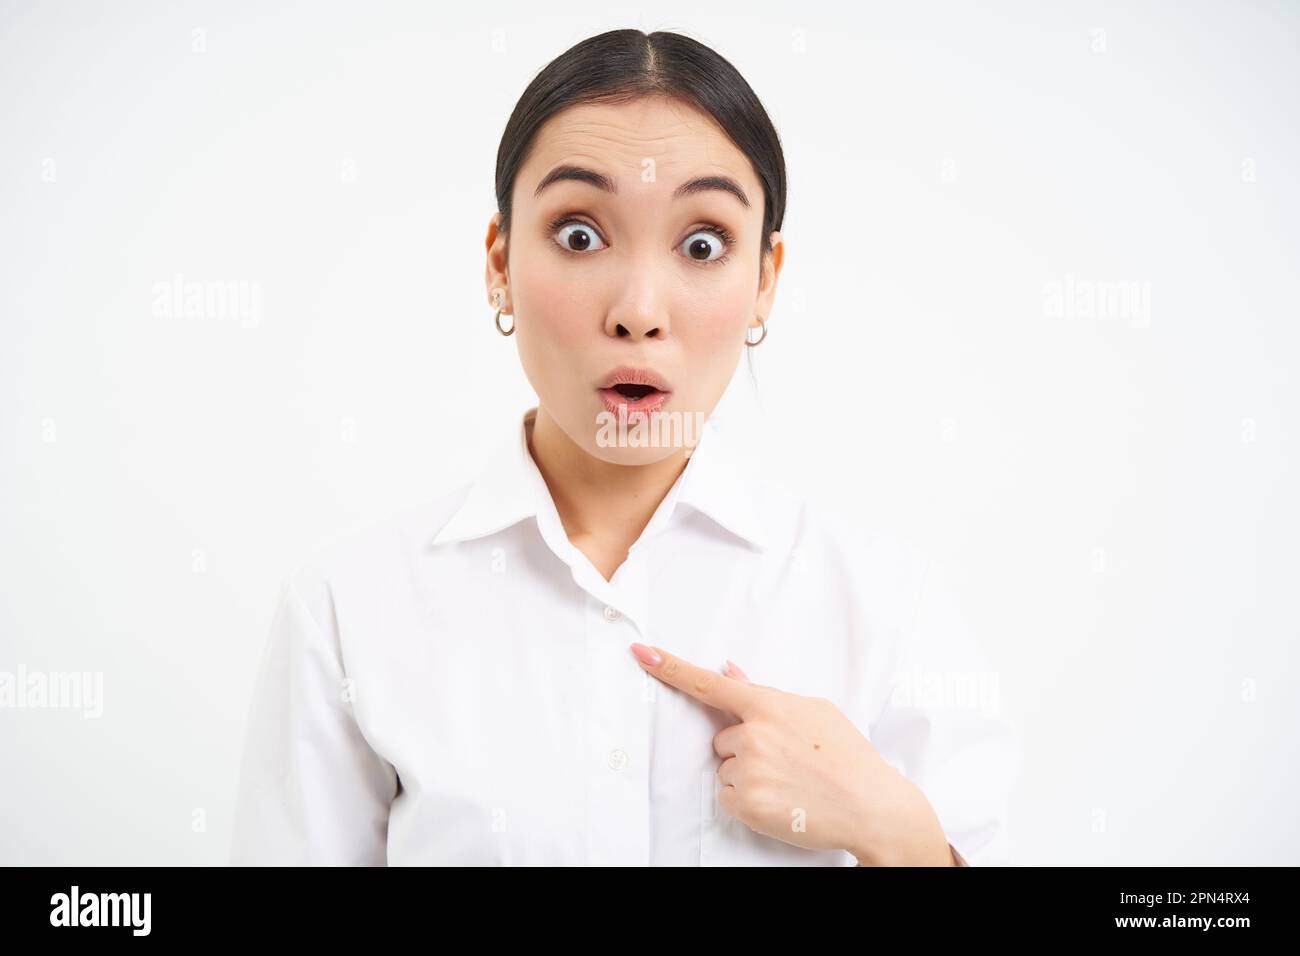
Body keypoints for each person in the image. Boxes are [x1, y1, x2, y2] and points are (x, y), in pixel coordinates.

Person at [230, 28, 1019, 866]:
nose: (639, 309)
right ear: (499, 262)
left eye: (703, 244)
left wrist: (890, 831)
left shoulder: (886, 607)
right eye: (578, 234)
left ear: (765, 280)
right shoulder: (348, 611)